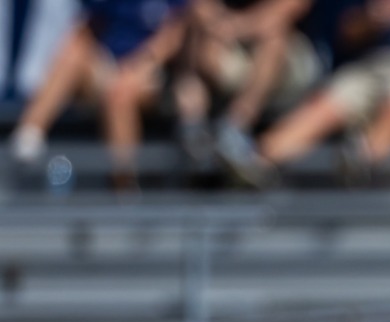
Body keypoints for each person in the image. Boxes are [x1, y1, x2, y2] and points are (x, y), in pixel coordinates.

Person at [236, 0, 390, 185]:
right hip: (371, 65)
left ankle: (362, 158)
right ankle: (256, 160)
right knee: (323, 105)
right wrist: (371, 19)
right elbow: (347, 34)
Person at [7, 0, 190, 192]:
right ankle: (27, 137)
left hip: (153, 72)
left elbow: (175, 32)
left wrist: (140, 66)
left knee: (120, 94)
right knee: (74, 52)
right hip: (110, 65)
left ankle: (125, 187)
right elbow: (91, 24)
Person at [174, 0, 321, 174]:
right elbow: (199, 7)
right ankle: (193, 125)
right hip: (228, 43)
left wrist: (238, 26)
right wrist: (217, 23)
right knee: (194, 30)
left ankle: (236, 127)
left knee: (275, 35)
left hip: (289, 61)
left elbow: (287, 10)